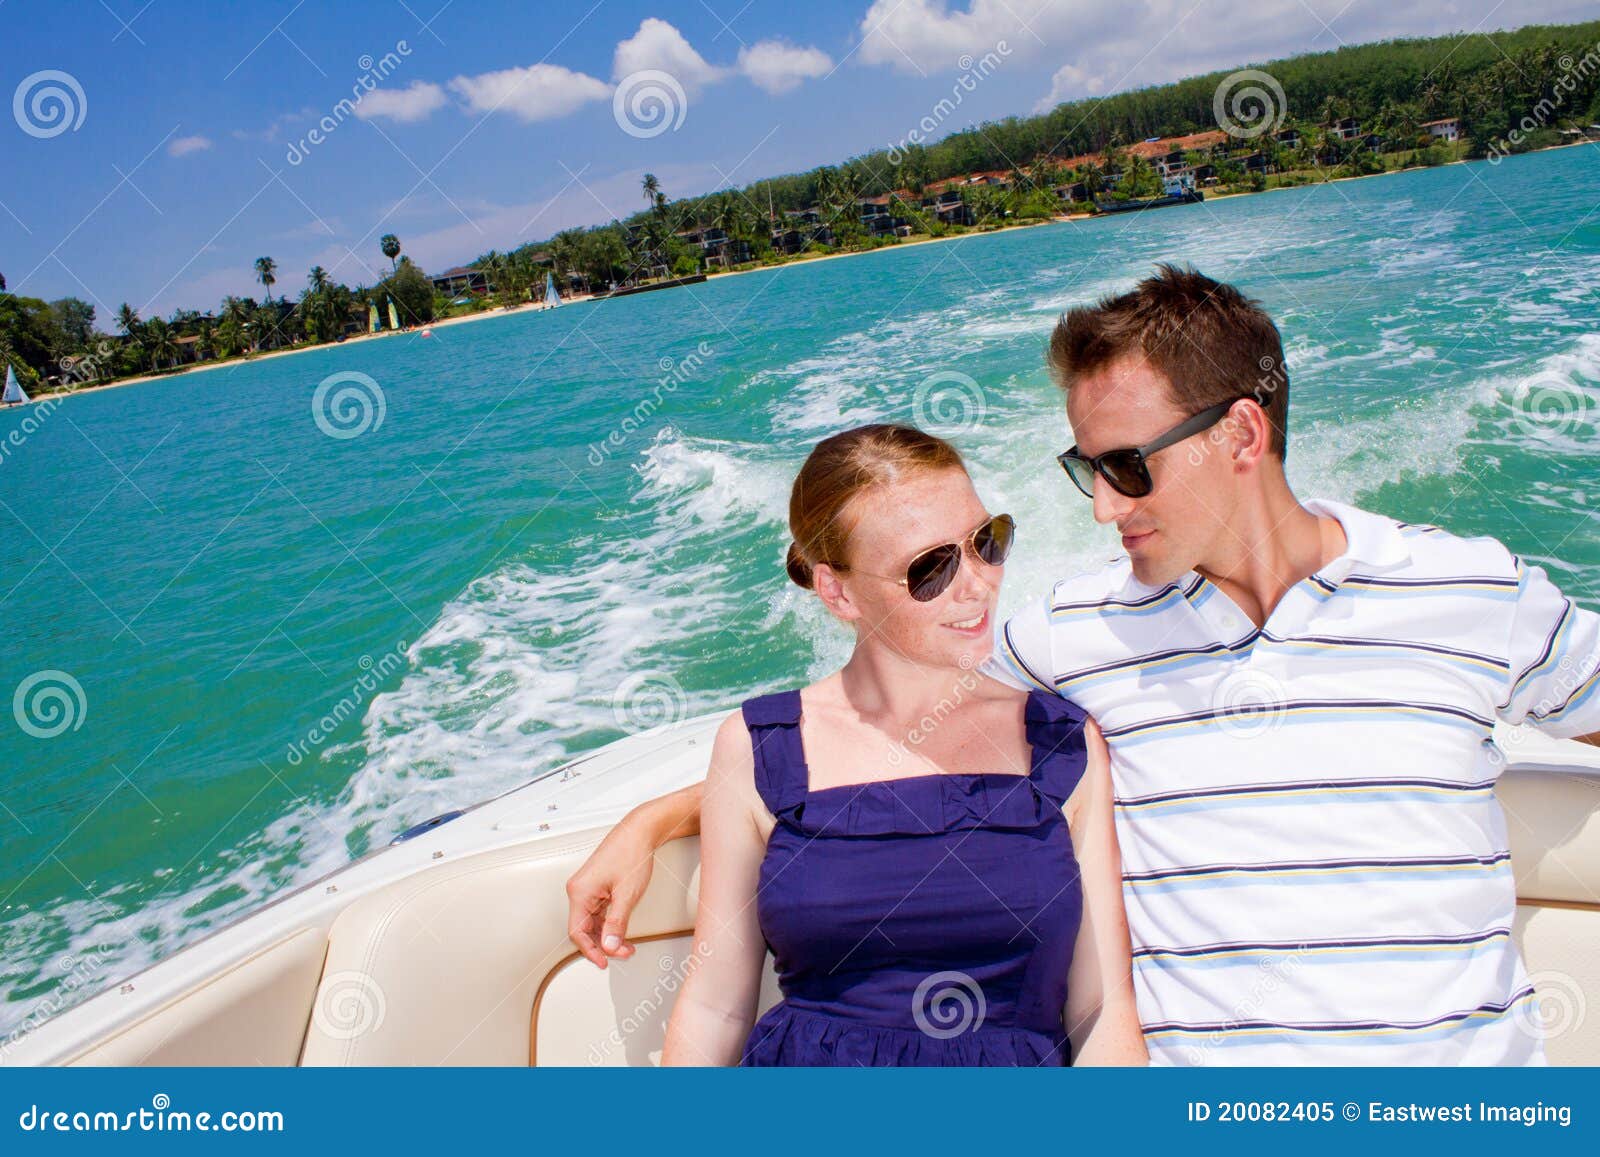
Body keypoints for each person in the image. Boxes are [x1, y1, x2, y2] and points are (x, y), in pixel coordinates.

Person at [572, 265, 1600, 1066]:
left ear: (1242, 432)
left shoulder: (1472, 591)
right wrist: (654, 818)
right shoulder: (1070, 642)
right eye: (1083, 471)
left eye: (1124, 466)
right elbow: (875, 737)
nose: (1101, 509)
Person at [654, 424, 1146, 1065]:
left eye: (985, 542)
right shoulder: (757, 749)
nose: (976, 584)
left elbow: (1101, 1011)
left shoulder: (1061, 746)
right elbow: (716, 1005)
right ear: (838, 592)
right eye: (931, 568)